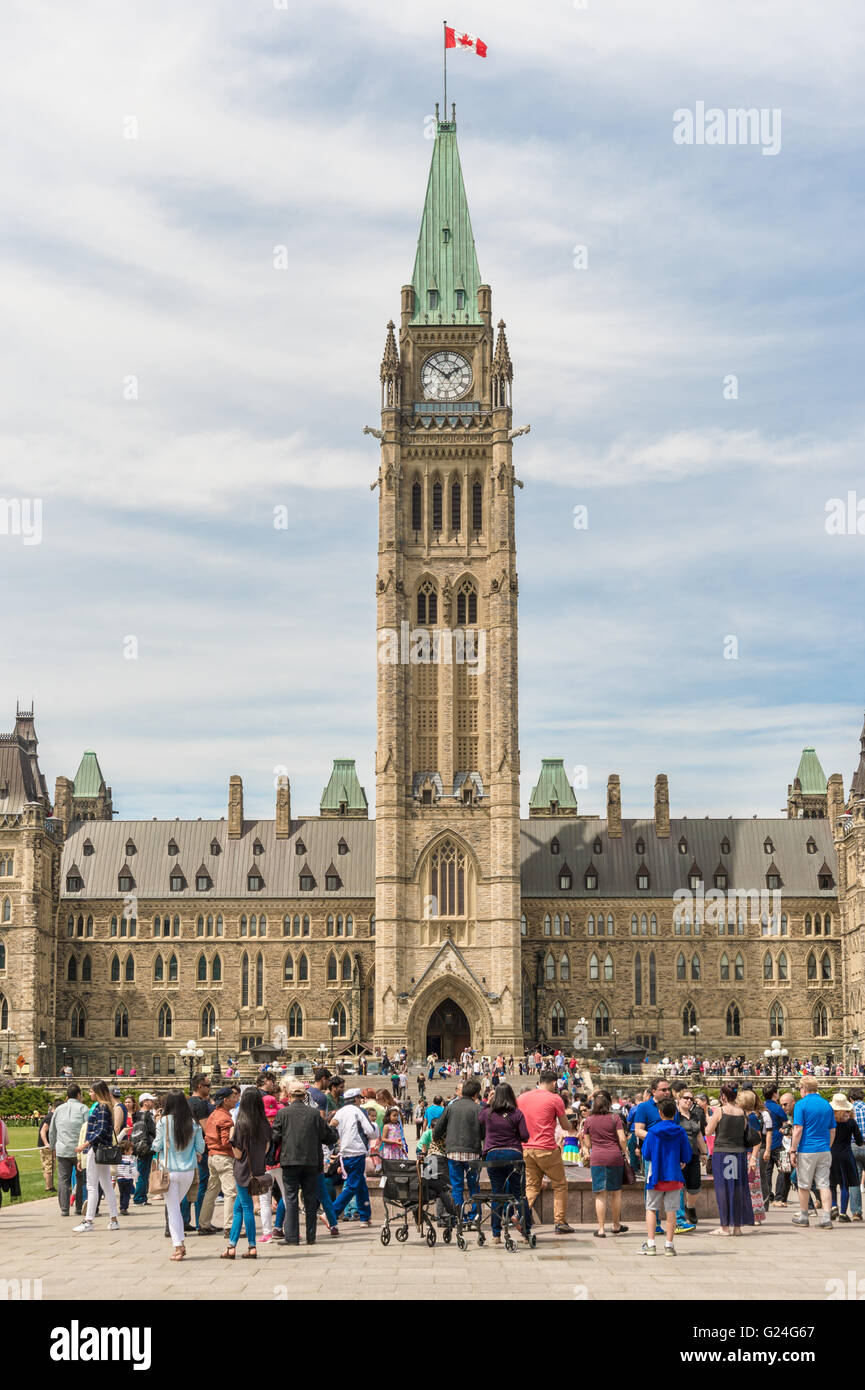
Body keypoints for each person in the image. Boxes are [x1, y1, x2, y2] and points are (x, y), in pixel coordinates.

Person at [269, 1077, 338, 1245]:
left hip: (290, 1160)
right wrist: (333, 1129)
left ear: (290, 1095)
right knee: (310, 1198)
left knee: (291, 1198)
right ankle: (311, 1236)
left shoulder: (282, 1113)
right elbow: (327, 1137)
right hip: (311, 1162)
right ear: (304, 1095)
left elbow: (275, 1136)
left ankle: (291, 1237)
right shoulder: (314, 1114)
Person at [517, 1069, 575, 1235]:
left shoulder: (522, 1097)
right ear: (554, 1083)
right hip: (547, 1148)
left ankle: (520, 1215)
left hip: (526, 1149)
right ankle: (560, 1221)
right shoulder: (555, 1098)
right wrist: (570, 1125)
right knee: (560, 1184)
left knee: (532, 1186)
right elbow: (565, 1126)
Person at [153, 1090, 205, 1261]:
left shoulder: (163, 1122)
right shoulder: (192, 1123)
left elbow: (157, 1145)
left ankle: (178, 1245)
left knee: (173, 1209)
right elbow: (201, 1148)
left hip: (169, 1170)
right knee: (175, 1206)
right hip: (188, 1171)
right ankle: (179, 1242)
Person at [222, 1087, 271, 1261]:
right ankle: (231, 1246)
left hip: (243, 1172)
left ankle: (252, 1246)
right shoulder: (264, 1124)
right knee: (238, 1208)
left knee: (246, 1208)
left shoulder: (241, 1125)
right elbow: (266, 1149)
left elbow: (237, 1154)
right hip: (258, 1170)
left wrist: (231, 1136)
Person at [640, 1097, 693, 1256]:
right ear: (675, 1113)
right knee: (671, 1211)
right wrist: (682, 1161)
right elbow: (687, 1155)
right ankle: (669, 1246)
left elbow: (646, 1154)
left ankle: (651, 1244)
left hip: (656, 1176)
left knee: (651, 1208)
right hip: (674, 1176)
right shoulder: (680, 1131)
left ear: (659, 1113)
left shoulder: (653, 1132)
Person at [478, 1082, 530, 1246]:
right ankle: (525, 1232)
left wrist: (488, 1103)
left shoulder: (488, 1113)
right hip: (513, 1155)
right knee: (519, 1194)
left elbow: (479, 1119)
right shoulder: (517, 1114)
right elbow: (525, 1136)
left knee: (497, 1193)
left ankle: (496, 1234)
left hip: (493, 1156)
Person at [705, 1083, 754, 1236]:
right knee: (738, 1189)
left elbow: (708, 1131)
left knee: (723, 1189)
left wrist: (708, 1117)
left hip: (723, 1154)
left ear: (724, 1096)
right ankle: (737, 1227)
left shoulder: (719, 1111)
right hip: (739, 1154)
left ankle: (724, 1226)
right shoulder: (742, 1113)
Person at [73, 1080, 120, 1234]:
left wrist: (84, 1145)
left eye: (92, 1091)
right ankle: (113, 1219)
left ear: (98, 1092)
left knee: (92, 1186)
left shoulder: (101, 1108)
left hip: (96, 1149)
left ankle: (88, 1221)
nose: (89, 1093)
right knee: (106, 1185)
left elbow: (99, 1131)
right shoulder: (107, 1107)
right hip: (103, 1150)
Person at [582, 1090, 629, 1238]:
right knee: (616, 1192)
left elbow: (588, 1144)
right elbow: (622, 1139)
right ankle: (615, 1225)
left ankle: (601, 1229)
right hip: (614, 1157)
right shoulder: (615, 1118)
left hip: (597, 1158)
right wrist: (624, 1151)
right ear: (608, 1104)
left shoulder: (588, 1121)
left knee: (600, 1194)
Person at [790, 1077, 835, 1229]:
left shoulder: (801, 1104)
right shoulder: (826, 1105)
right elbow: (832, 1130)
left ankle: (804, 1216)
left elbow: (798, 1129)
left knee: (804, 1185)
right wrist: (827, 1146)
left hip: (807, 1149)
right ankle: (826, 1218)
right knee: (824, 1184)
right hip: (824, 1149)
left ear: (803, 1088)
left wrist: (793, 1150)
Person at [330, 1089, 377, 1226]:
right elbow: (370, 1132)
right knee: (352, 1185)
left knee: (361, 1184)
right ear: (356, 1099)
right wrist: (374, 1130)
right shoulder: (359, 1111)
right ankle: (331, 1213)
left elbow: (331, 1127)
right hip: (357, 1152)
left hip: (344, 1153)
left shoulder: (339, 1112)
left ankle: (365, 1216)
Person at [198, 1087, 239, 1238]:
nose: (236, 1099)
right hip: (224, 1157)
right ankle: (230, 1226)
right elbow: (226, 1141)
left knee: (212, 1191)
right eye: (234, 1097)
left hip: (212, 1156)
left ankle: (204, 1223)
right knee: (230, 1192)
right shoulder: (225, 1118)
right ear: (226, 1100)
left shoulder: (214, 1115)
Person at [50, 1085, 89, 1218]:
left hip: (62, 1149)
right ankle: (79, 1207)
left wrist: (52, 1147)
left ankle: (64, 1209)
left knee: (63, 1179)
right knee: (81, 1179)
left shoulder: (59, 1109)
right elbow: (88, 1130)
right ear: (78, 1095)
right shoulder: (84, 1109)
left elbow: (52, 1130)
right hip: (79, 1150)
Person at [674, 1086, 707, 1226]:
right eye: (685, 1098)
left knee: (695, 1187)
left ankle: (690, 1206)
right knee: (679, 1187)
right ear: (679, 1099)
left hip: (694, 1154)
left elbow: (699, 1134)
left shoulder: (695, 1116)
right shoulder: (675, 1116)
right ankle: (679, 1217)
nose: (689, 1101)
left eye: (691, 1099)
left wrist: (704, 1152)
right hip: (679, 1155)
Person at [829, 1092, 863, 1222]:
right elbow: (859, 1141)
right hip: (846, 1155)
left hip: (832, 1153)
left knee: (831, 1184)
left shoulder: (830, 1121)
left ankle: (833, 1206)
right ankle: (843, 1213)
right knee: (845, 1185)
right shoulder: (851, 1122)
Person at [186, 1075, 213, 1230]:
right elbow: (206, 1128)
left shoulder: (187, 1103)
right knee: (202, 1185)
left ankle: (184, 1220)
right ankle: (201, 1222)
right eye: (207, 1085)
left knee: (188, 1186)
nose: (209, 1088)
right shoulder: (201, 1104)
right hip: (202, 1149)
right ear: (199, 1086)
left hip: (188, 1149)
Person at [740, 1090, 767, 1225]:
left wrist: (754, 1158)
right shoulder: (744, 1116)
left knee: (753, 1185)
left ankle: (755, 1215)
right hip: (743, 1153)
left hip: (750, 1153)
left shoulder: (751, 1118)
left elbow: (757, 1139)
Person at [762, 1083, 787, 1206]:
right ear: (774, 1094)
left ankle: (767, 1196)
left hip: (765, 1142)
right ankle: (778, 1197)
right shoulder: (778, 1108)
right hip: (778, 1141)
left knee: (767, 1171)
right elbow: (785, 1124)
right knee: (782, 1169)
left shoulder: (761, 1107)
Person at [130, 1094, 158, 1205]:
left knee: (141, 1172)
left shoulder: (136, 1114)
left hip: (138, 1146)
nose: (153, 1102)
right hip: (146, 1147)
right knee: (143, 1173)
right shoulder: (148, 1115)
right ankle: (139, 1198)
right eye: (151, 1100)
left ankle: (141, 1196)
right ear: (145, 1102)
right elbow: (153, 1131)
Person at [37, 1103, 57, 1193]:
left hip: (43, 1145)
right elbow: (43, 1131)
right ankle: (49, 1187)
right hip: (46, 1146)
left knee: (46, 1166)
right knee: (49, 1166)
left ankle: (49, 1185)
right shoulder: (50, 1117)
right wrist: (47, 1143)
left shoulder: (49, 1116)